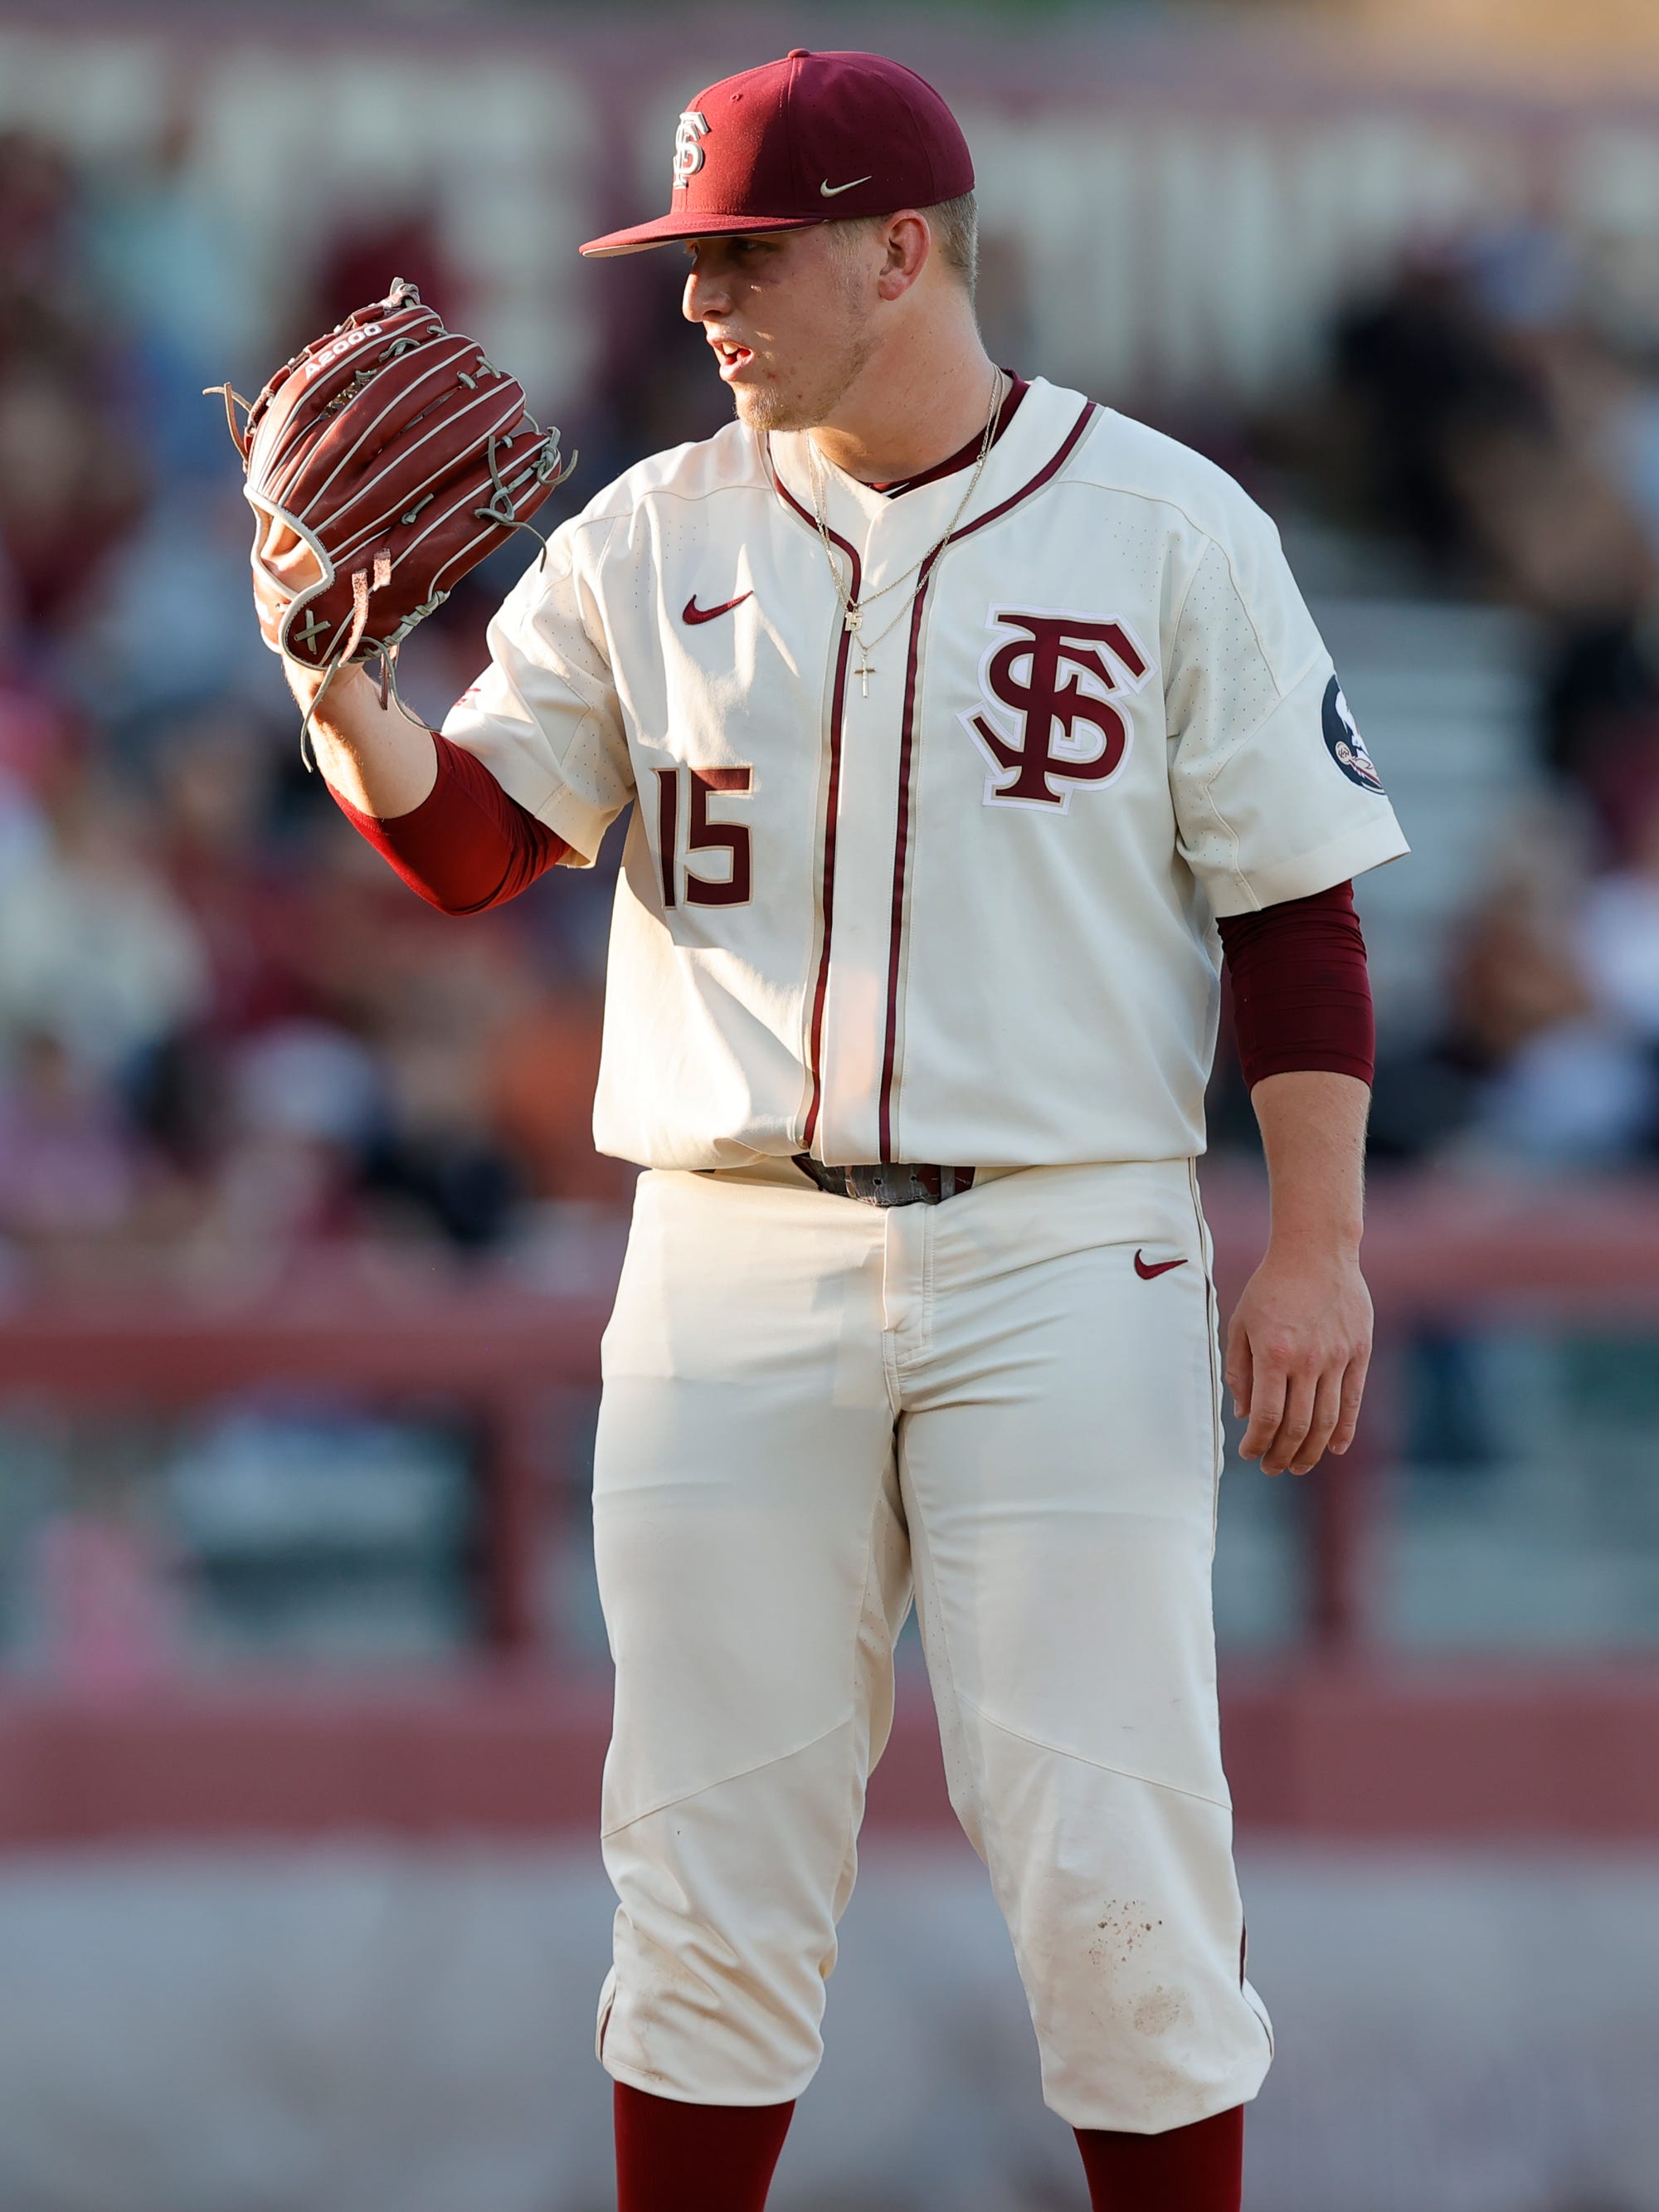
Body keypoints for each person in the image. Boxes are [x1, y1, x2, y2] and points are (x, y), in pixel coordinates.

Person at [279, 49, 1406, 2212]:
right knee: (700, 1878)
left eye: (742, 252)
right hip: (724, 1261)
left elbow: (1297, 914)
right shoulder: (651, 531)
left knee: (1120, 1876)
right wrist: (349, 702)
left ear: (901, 252)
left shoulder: (1165, 523)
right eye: (687, 254)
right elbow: (481, 846)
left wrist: (1318, 1239)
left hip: (1067, 1250)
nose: (700, 295)